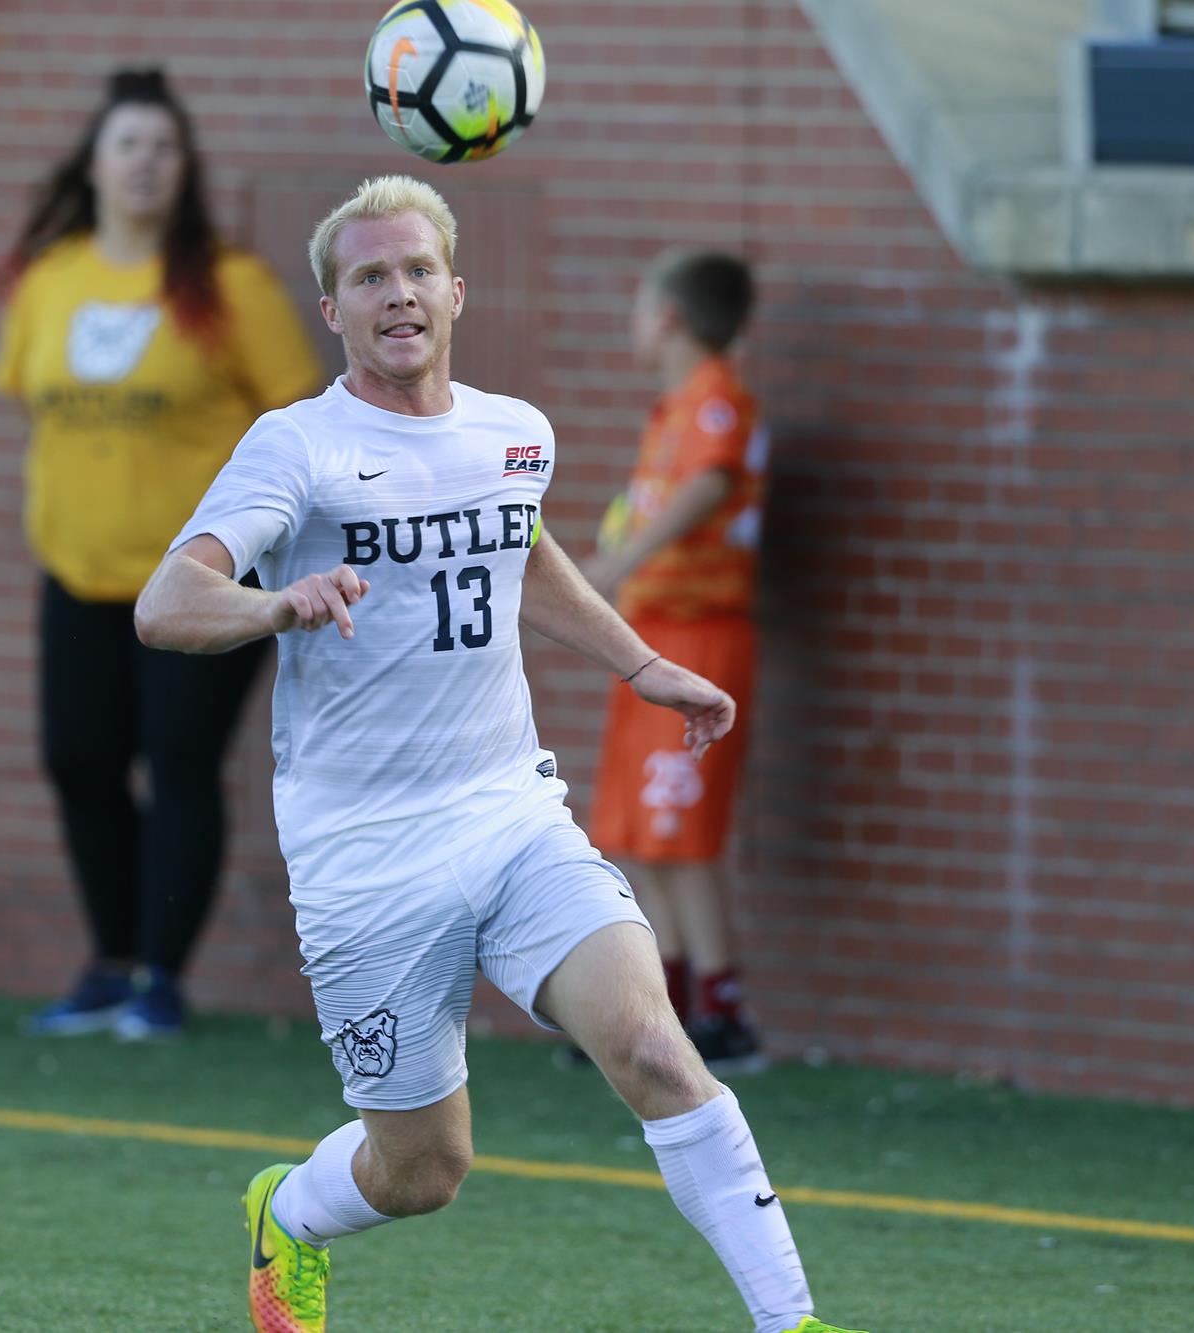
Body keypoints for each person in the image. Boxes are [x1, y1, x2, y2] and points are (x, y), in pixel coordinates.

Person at [133, 177, 864, 1333]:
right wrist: (275, 604)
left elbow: (516, 548)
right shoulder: (297, 444)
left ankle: (793, 1323)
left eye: (416, 269)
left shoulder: (512, 433)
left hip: (508, 814)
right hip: (362, 852)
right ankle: (291, 1212)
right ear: (333, 310)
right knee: (422, 1170)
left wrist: (638, 663)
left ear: (455, 291)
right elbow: (165, 603)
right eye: (369, 276)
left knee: (653, 1047)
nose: (397, 292)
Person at [0, 68, 321, 1041]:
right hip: (78, 573)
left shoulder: (230, 285)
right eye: (128, 144)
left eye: (164, 147)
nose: (146, 162)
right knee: (78, 761)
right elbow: (31, 403)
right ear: (93, 164)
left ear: (186, 169)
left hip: (203, 581)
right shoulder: (49, 282)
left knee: (179, 761)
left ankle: (160, 980)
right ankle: (110, 963)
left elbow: (299, 425)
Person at [581, 248, 769, 1071]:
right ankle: (670, 1005)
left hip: (697, 638)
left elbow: (710, 483)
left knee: (679, 832)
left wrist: (619, 563)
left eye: (639, 307)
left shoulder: (715, 399)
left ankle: (723, 1015)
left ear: (667, 319)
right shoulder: (674, 408)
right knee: (637, 833)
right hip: (653, 638)